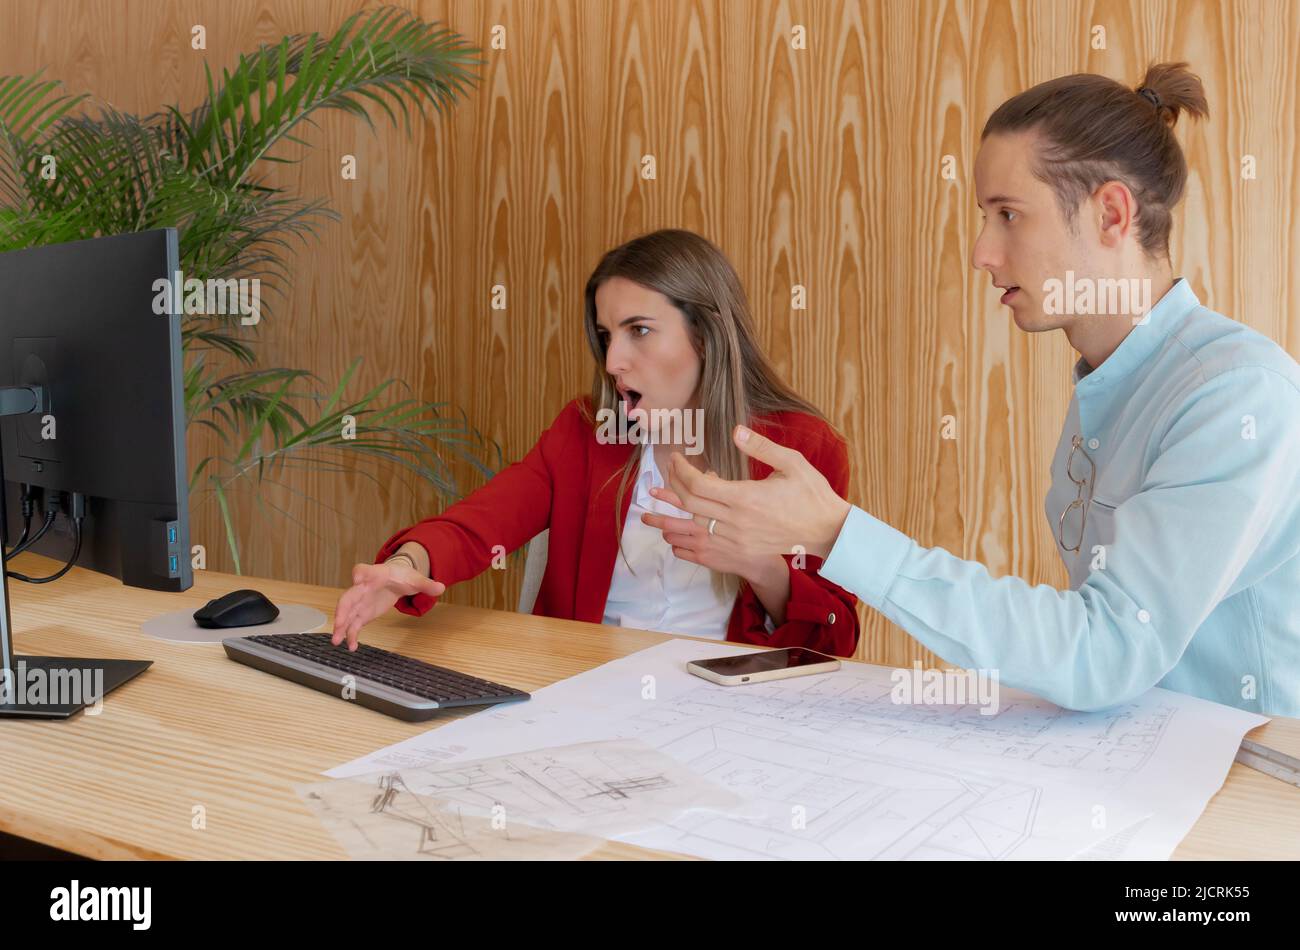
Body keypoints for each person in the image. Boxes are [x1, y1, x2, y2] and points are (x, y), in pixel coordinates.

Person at [651, 64, 1300, 714]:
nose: (981, 251)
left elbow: (1104, 652)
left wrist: (835, 532)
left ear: (1110, 214)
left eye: (1009, 215)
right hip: (1144, 760)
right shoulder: (1110, 384)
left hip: (1252, 785)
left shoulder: (1236, 395)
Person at [331, 229, 859, 656]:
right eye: (607, 336)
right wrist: (406, 567)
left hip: (731, 721)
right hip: (580, 694)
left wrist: (759, 565)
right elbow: (480, 524)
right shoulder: (586, 433)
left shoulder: (804, 450)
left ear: (707, 334)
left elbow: (836, 636)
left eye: (640, 331)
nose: (613, 363)